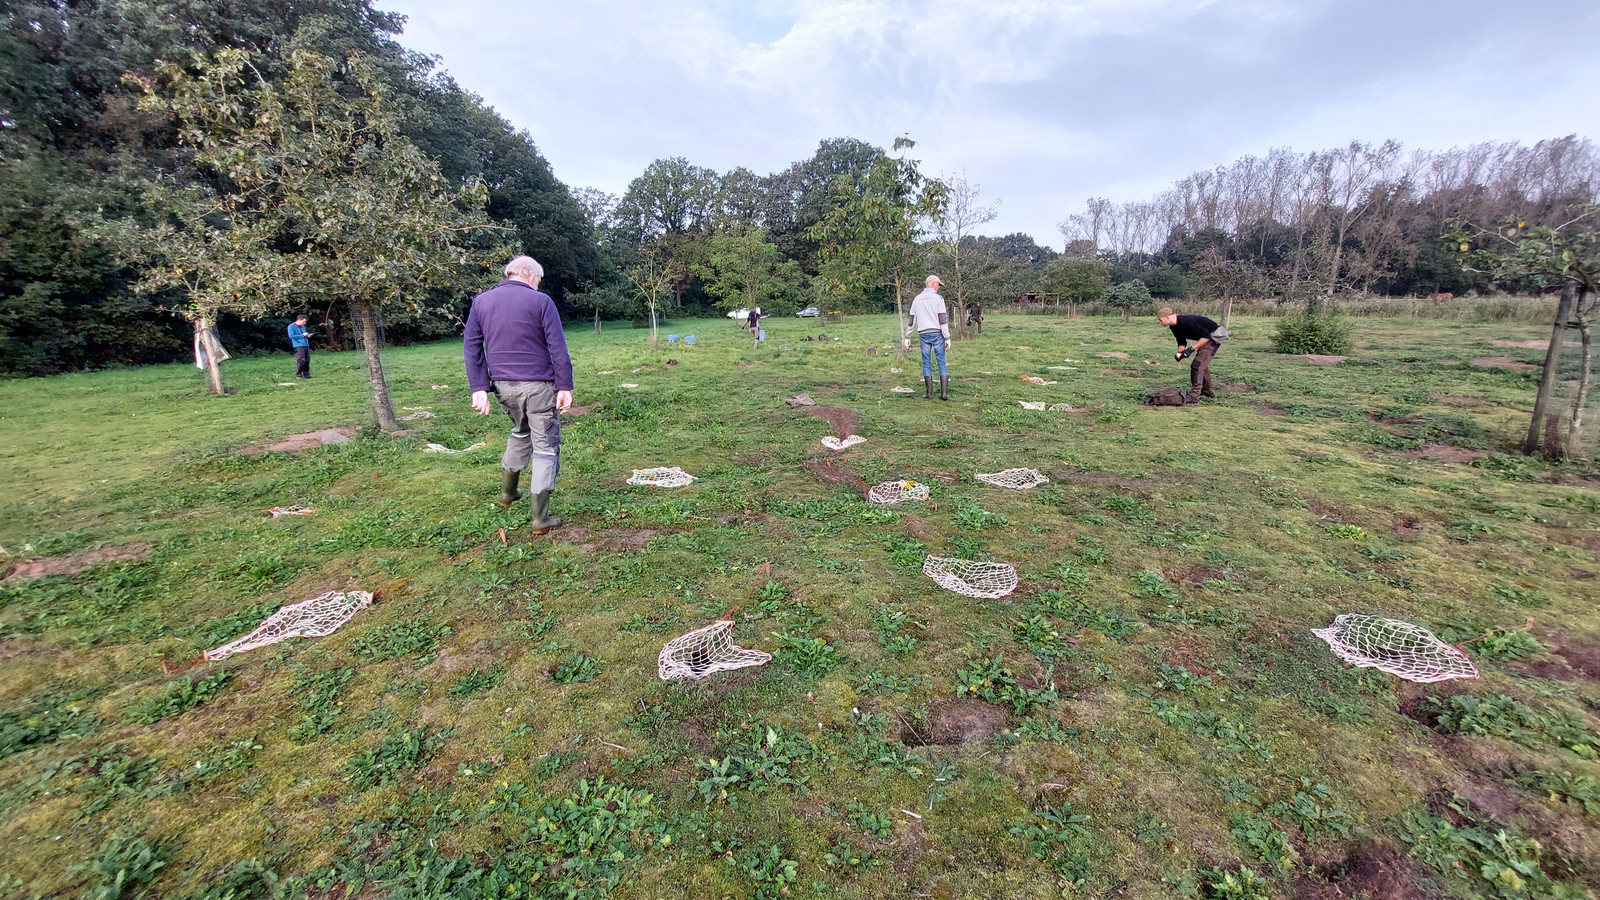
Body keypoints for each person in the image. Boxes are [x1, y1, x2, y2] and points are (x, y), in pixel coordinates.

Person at [463, 256, 574, 536]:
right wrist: (564, 386)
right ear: (531, 276)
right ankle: (540, 519)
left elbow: (472, 347)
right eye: (539, 280)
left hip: (504, 388)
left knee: (521, 431)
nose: (538, 284)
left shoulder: (481, 302)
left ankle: (507, 493)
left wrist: (479, 387)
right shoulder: (541, 301)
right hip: (539, 387)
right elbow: (557, 347)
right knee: (545, 446)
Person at [1157, 307, 1225, 402]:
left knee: (1197, 364)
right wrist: (1180, 353)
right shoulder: (1173, 326)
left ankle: (1194, 395)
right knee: (1202, 365)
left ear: (1167, 317)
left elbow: (1206, 336)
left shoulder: (1186, 321)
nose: (1160, 322)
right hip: (1205, 337)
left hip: (1214, 336)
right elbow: (1181, 340)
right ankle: (1207, 392)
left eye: (1160, 320)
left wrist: (1191, 349)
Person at [908, 275, 951, 400]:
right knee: (941, 362)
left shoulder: (917, 299)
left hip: (923, 334)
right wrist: (947, 337)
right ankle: (944, 393)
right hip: (937, 333)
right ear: (932, 284)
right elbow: (942, 319)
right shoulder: (939, 299)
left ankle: (929, 393)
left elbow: (912, 319)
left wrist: (907, 335)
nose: (939, 287)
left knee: (926, 362)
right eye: (938, 285)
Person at [287, 314, 312, 379]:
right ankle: (298, 374)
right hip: (298, 345)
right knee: (301, 360)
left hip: (306, 344)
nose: (305, 323)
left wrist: (307, 335)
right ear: (299, 320)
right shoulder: (291, 326)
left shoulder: (302, 326)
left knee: (307, 360)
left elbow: (304, 334)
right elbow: (291, 336)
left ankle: (306, 374)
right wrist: (302, 335)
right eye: (304, 321)